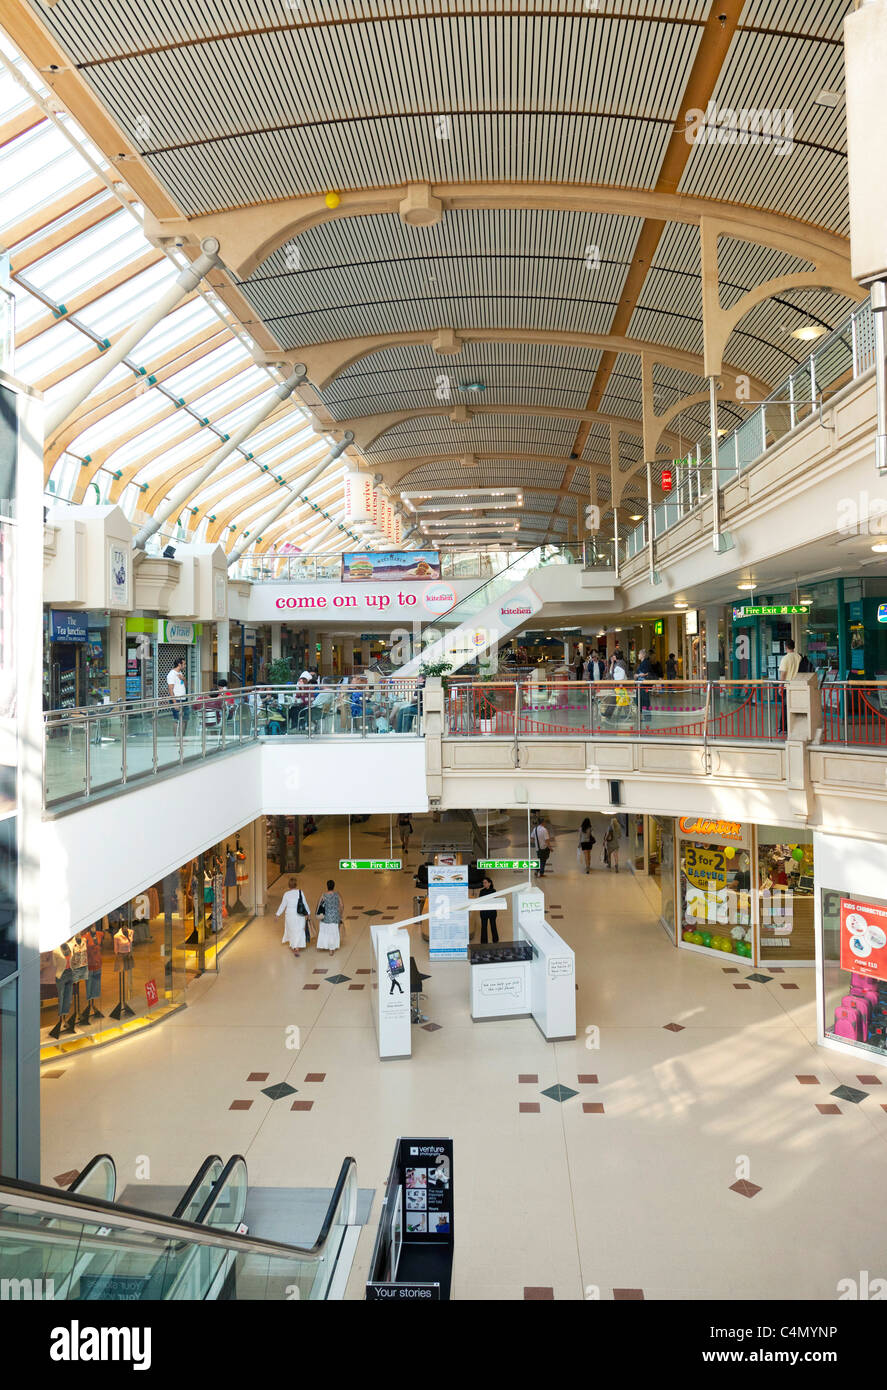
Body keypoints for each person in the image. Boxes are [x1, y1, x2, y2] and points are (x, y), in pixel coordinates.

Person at [276, 877, 311, 957]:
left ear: (289, 885)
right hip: (300, 914)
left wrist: (277, 914)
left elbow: (283, 905)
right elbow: (305, 903)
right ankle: (296, 948)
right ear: (296, 885)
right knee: (299, 930)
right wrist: (308, 913)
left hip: (290, 915)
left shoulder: (286, 894)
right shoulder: (300, 892)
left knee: (292, 931)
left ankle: (294, 947)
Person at [315, 879, 344, 954]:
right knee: (333, 932)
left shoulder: (323, 895)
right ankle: (331, 949)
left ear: (327, 886)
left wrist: (317, 914)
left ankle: (325, 945)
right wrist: (340, 915)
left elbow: (318, 905)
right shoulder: (337, 894)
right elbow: (341, 905)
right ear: (334, 886)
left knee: (325, 932)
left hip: (326, 918)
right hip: (335, 917)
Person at [778, 639, 801, 733]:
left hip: (788, 686)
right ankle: (796, 726)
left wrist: (780, 686)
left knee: (785, 707)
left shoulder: (785, 658)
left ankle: (784, 728)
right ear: (794, 647)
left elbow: (783, 673)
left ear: (786, 647)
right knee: (797, 708)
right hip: (799, 686)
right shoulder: (799, 657)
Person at [167, 658, 189, 734]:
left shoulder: (180, 673)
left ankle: (182, 737)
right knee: (177, 720)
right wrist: (174, 702)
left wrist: (184, 679)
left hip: (183, 698)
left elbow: (185, 686)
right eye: (184, 664)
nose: (185, 666)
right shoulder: (171, 674)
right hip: (176, 699)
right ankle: (176, 738)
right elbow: (170, 689)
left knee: (185, 719)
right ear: (179, 664)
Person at [478, 875, 499, 943]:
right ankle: (484, 942)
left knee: (493, 926)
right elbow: (480, 901)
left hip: (492, 912)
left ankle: (495, 940)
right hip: (484, 912)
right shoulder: (481, 891)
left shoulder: (493, 891)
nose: (484, 884)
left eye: (486, 882)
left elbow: (494, 901)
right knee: (483, 927)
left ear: (489, 883)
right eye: (483, 883)